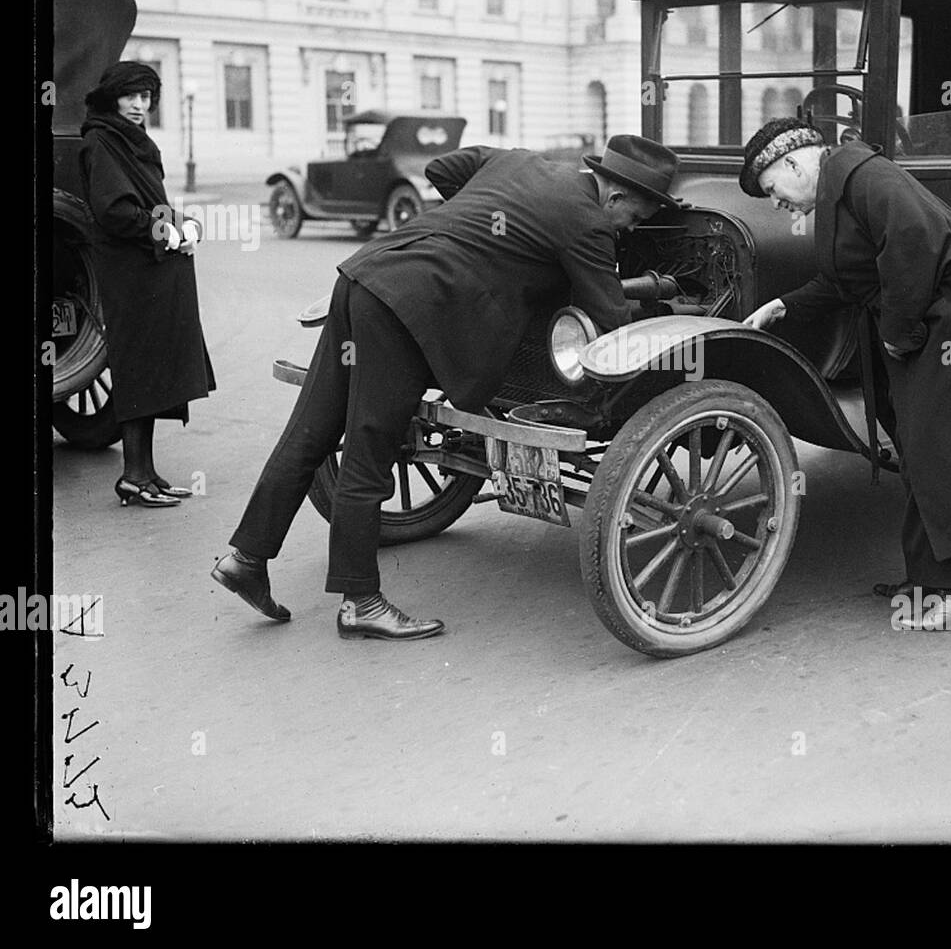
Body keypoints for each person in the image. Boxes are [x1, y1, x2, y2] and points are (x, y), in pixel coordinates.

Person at [212, 135, 683, 641]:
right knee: (370, 450)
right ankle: (360, 601)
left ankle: (246, 558)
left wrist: (472, 229)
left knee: (312, 429)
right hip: (408, 305)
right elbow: (610, 317)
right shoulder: (587, 222)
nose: (629, 229)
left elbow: (442, 168)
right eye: (633, 219)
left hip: (364, 274)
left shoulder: (518, 161)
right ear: (615, 198)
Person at [738, 117, 951, 630]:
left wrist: (897, 334)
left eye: (772, 191)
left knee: (948, 450)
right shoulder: (843, 186)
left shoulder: (864, 177)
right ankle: (932, 580)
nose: (776, 205)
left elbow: (914, 248)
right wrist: (785, 306)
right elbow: (850, 279)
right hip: (943, 315)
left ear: (792, 163)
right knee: (924, 449)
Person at [78, 62, 215, 508]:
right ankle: (133, 477)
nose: (140, 106)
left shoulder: (131, 139)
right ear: (113, 96)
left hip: (151, 270)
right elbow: (116, 212)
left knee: (153, 370)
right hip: (130, 272)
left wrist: (183, 223)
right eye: (131, 96)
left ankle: (146, 473)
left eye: (147, 97)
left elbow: (151, 204)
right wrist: (165, 232)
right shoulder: (102, 139)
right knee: (139, 370)